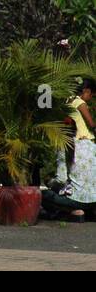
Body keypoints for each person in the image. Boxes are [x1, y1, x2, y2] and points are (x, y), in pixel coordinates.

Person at [44, 78, 96, 221]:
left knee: (45, 195)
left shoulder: (65, 144)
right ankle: (89, 210)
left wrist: (49, 182)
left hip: (77, 199)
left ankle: (75, 211)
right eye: (91, 95)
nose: (90, 99)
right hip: (94, 198)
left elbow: (61, 178)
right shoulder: (79, 102)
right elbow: (91, 123)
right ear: (86, 91)